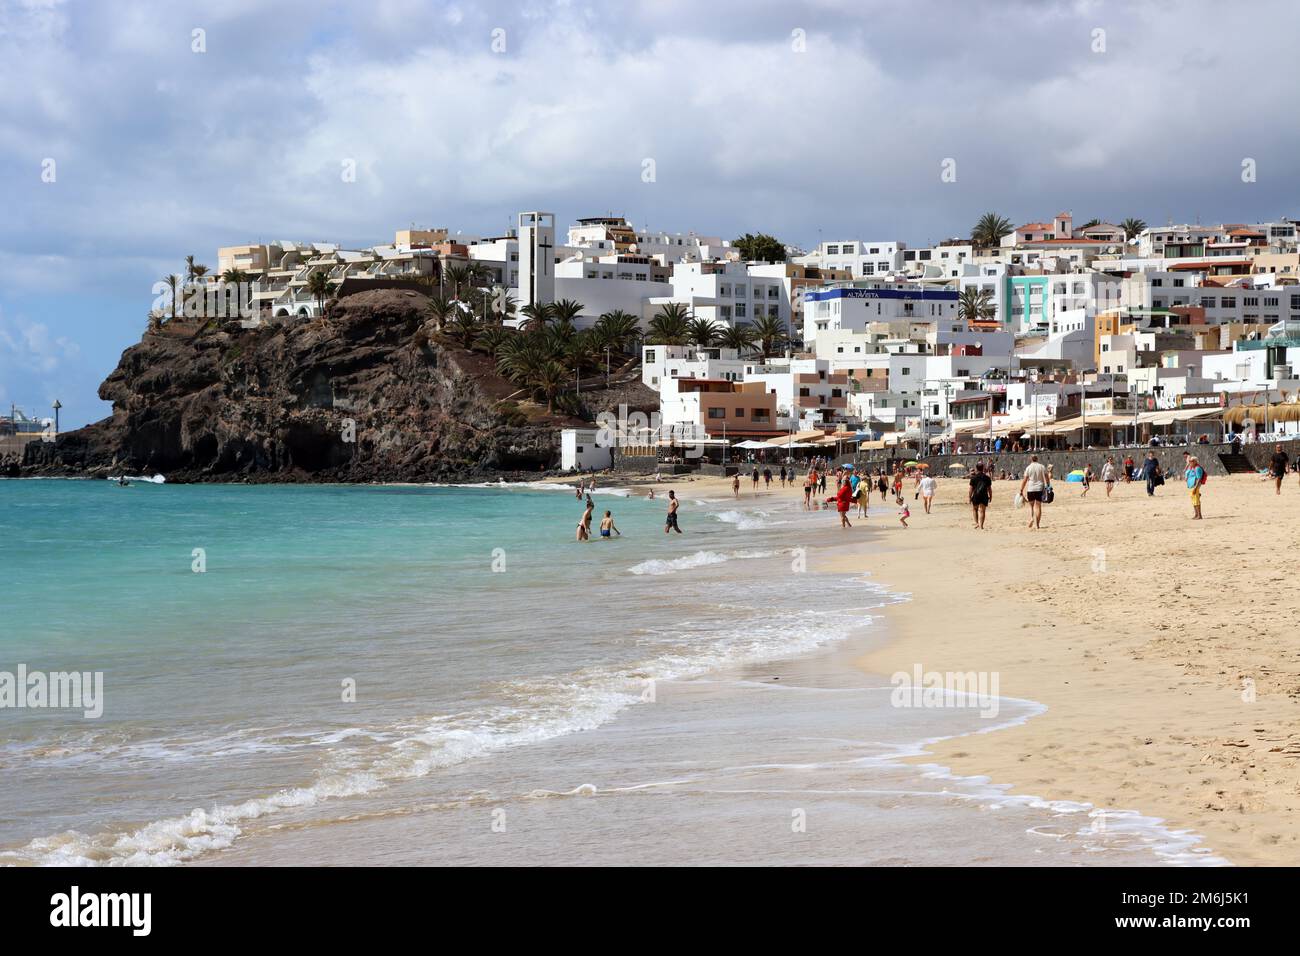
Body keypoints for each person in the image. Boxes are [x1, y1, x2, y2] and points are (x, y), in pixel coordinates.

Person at [1019, 454, 1049, 530]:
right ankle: (1037, 525)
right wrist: (1048, 485)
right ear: (1037, 459)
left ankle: (1032, 518)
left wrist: (1021, 489)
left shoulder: (1028, 468)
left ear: (1031, 459)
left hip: (1031, 489)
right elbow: (1046, 477)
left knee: (1031, 506)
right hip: (1039, 488)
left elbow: (1025, 480)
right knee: (1038, 506)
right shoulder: (1042, 466)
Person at [968, 462, 992, 529]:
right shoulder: (987, 478)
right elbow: (989, 489)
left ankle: (976, 523)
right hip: (984, 495)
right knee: (982, 511)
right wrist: (991, 496)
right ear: (983, 468)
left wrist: (969, 497)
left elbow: (971, 489)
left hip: (976, 495)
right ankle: (981, 526)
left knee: (975, 509)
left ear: (976, 468)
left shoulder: (973, 478)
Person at [1186, 455, 1206, 520]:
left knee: (1196, 501)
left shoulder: (1197, 468)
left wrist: (1195, 488)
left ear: (1195, 461)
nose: (1190, 463)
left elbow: (1199, 479)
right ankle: (1196, 514)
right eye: (1190, 461)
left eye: (1191, 461)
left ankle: (1199, 515)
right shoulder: (1193, 468)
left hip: (1195, 486)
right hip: (1192, 486)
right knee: (1194, 500)